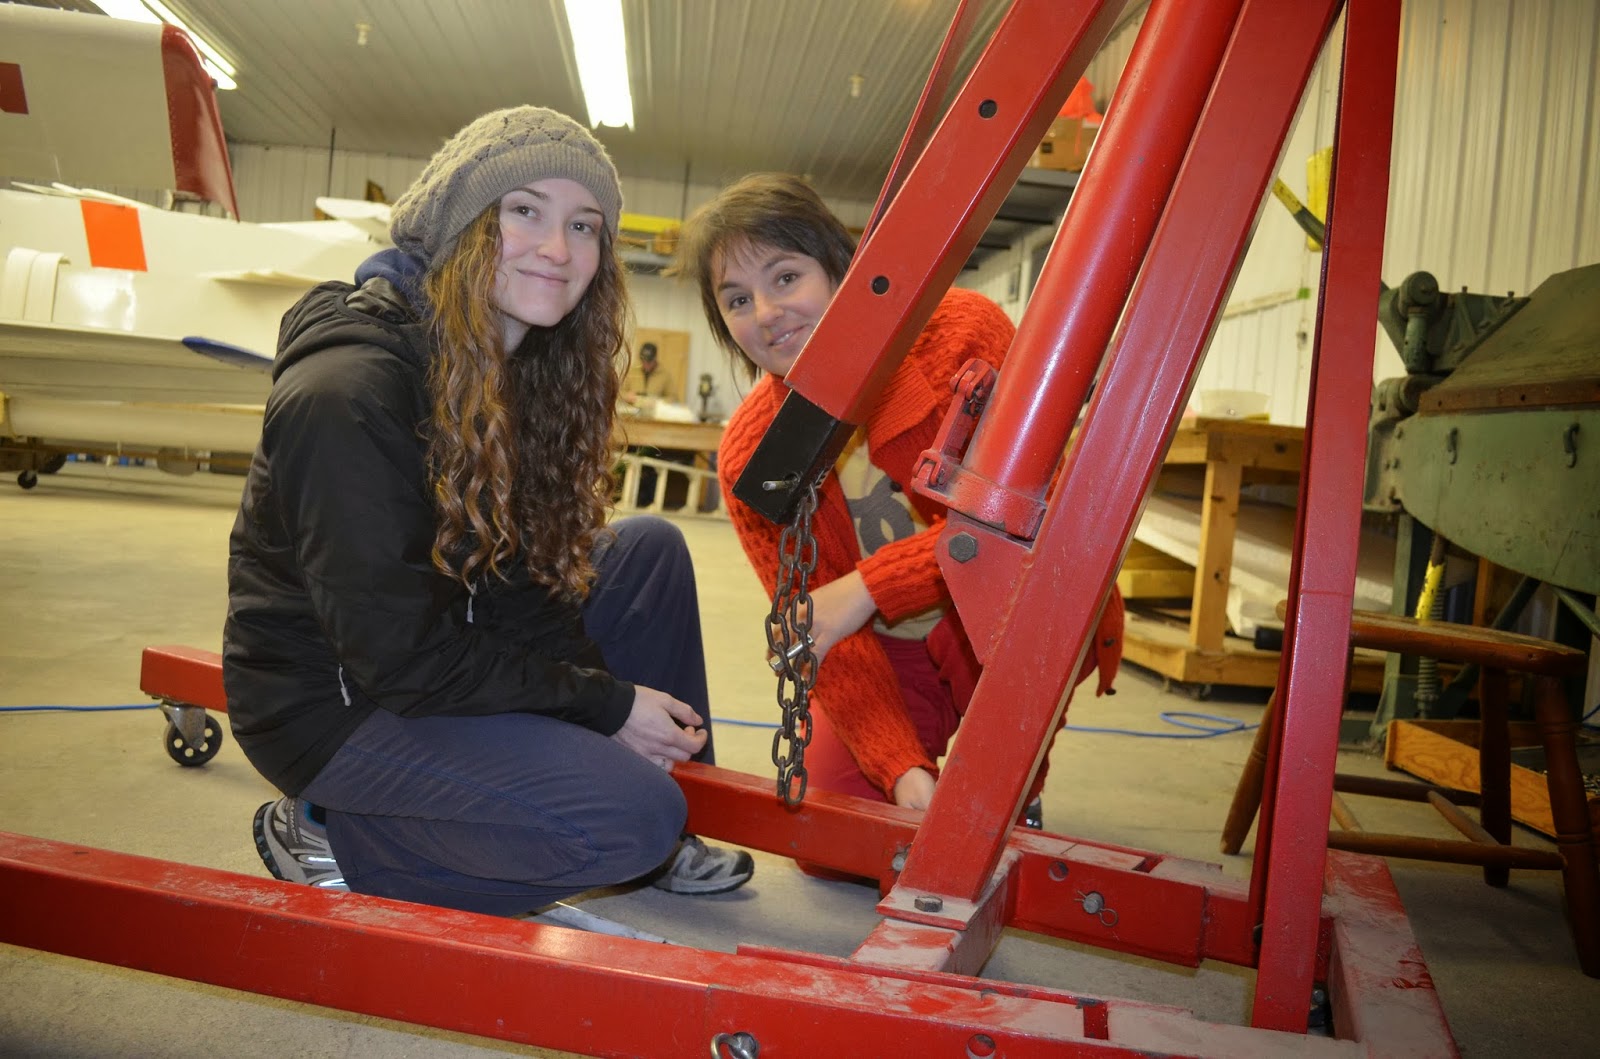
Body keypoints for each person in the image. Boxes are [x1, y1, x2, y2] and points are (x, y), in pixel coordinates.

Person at [223, 105, 753, 917]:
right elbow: (400, 658)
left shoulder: (512, 368)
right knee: (629, 821)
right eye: (524, 212)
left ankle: (660, 797)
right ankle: (335, 833)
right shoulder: (349, 392)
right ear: (463, 226)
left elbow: (521, 579)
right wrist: (605, 706)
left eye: (584, 225)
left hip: (439, 642)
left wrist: (608, 707)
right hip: (337, 707)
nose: (558, 248)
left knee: (646, 550)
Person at [673, 173, 1123, 824]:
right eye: (737, 300)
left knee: (986, 814)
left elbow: (1035, 524)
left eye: (785, 278)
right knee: (846, 830)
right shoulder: (752, 456)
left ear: (840, 269)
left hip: (998, 615)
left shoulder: (961, 332)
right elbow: (823, 630)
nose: (766, 314)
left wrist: (865, 587)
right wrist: (903, 773)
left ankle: (1018, 783)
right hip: (889, 646)